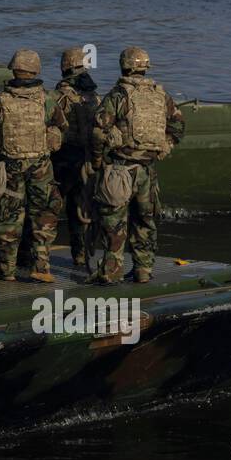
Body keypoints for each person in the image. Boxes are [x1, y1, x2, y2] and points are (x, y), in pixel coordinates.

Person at [90, 47, 185, 284]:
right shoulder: (160, 95)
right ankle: (143, 269)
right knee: (145, 221)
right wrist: (165, 146)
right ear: (145, 68)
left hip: (120, 169)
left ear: (124, 66)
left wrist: (97, 160)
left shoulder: (118, 95)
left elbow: (99, 130)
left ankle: (111, 272)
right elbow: (178, 125)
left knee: (114, 222)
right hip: (147, 171)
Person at [0, 49, 67, 282]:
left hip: (10, 166)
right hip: (41, 167)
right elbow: (62, 126)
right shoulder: (47, 100)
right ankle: (41, 266)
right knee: (43, 214)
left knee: (9, 216)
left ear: (13, 70)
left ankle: (7, 270)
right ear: (36, 71)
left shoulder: (0, 101)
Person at [52, 47, 100, 272]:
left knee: (47, 208)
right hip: (86, 160)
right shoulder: (93, 95)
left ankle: (34, 256)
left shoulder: (59, 95)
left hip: (63, 158)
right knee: (80, 210)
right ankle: (80, 257)